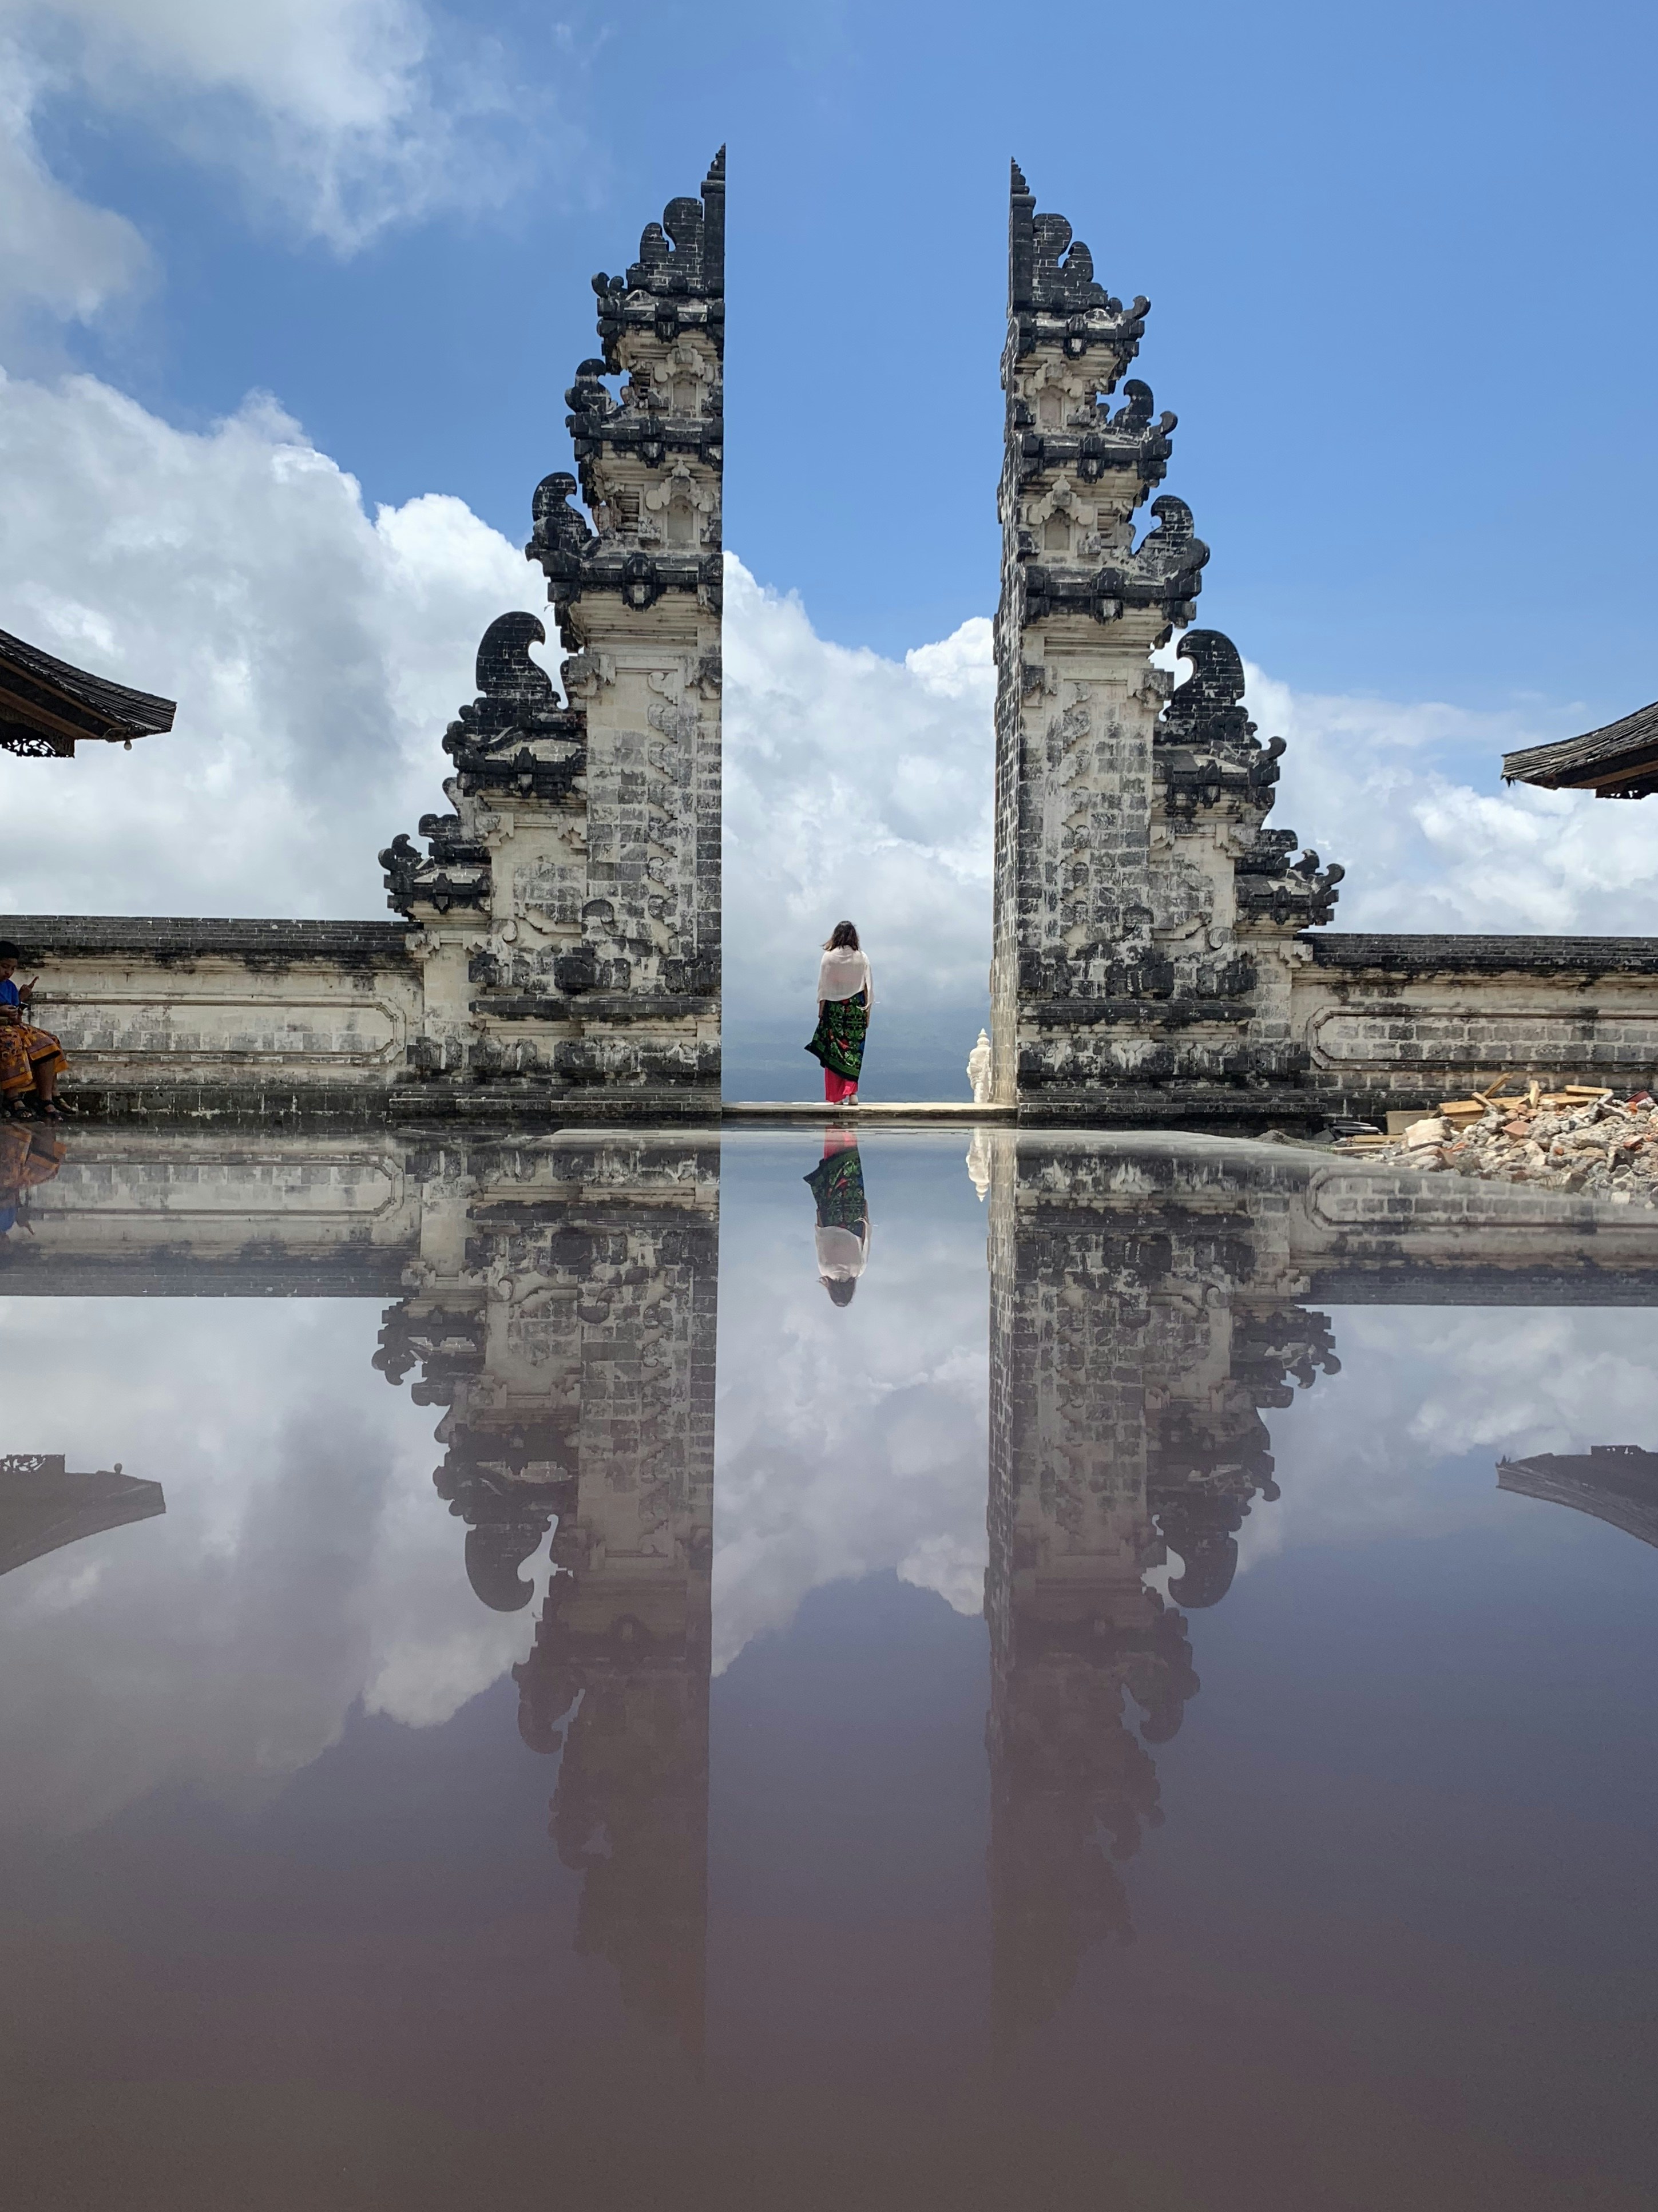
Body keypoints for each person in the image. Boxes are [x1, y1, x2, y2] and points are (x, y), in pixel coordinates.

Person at [806, 919, 872, 1105]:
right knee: (853, 1052)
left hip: (834, 1009)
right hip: (855, 1010)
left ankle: (837, 1096)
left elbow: (823, 986)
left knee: (834, 1050)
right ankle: (852, 1093)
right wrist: (867, 1013)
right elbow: (867, 987)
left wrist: (821, 1010)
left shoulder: (828, 958)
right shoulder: (862, 958)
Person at [0, 942, 69, 1120]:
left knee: (48, 1041)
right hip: (4, 1031)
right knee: (11, 1041)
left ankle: (46, 1098)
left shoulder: (9, 987)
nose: (8, 973)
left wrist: (21, 1000)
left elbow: (16, 1014)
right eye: (4, 967)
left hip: (12, 1026)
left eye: (12, 969)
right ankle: (12, 1097)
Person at [804, 1128, 870, 1306]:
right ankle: (834, 1130)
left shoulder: (859, 1270)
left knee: (850, 1169)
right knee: (832, 1172)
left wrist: (865, 1210)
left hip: (853, 1214)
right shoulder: (824, 1269)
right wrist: (819, 1212)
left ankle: (848, 1131)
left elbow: (865, 1238)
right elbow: (821, 1237)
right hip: (830, 1215)